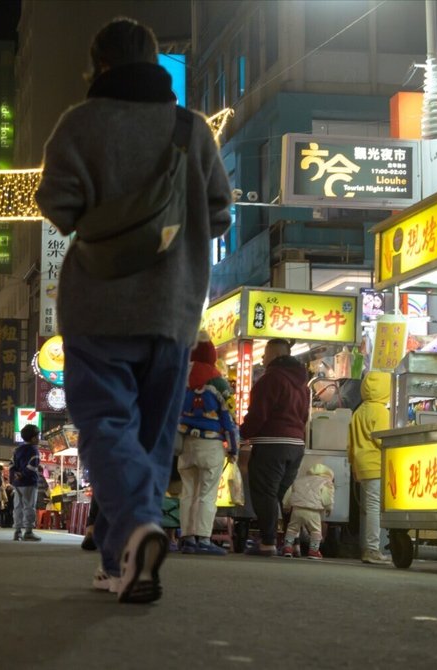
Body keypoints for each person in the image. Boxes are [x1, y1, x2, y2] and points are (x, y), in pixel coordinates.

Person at [34, 18, 232, 603]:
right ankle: (124, 560)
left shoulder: (79, 124)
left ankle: (139, 528)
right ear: (153, 61)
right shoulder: (191, 131)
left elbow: (59, 206)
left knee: (104, 425)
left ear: (99, 67)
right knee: (149, 437)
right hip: (173, 313)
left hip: (97, 306)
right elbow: (219, 213)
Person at [242, 338, 311, 557]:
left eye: (264, 353)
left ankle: (268, 542)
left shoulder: (270, 379)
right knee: (281, 495)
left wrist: (241, 434)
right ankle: (293, 542)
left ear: (273, 353)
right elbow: (304, 417)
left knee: (265, 493)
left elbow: (258, 414)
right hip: (296, 445)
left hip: (271, 443)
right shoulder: (302, 383)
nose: (262, 358)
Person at [176, 336, 240, 556]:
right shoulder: (219, 383)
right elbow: (228, 418)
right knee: (206, 493)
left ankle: (186, 538)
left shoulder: (180, 381)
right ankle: (203, 538)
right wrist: (234, 448)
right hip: (211, 444)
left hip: (185, 444)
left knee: (187, 492)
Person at [349, 371, 391, 565]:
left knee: (367, 508)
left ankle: (367, 547)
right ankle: (372, 549)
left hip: (362, 465)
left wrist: (354, 467)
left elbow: (350, 443)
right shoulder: (381, 411)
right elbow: (382, 438)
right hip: (376, 464)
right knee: (375, 507)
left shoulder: (358, 411)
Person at [281, 464, 335, 560]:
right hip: (313, 511)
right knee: (315, 531)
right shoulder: (326, 482)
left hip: (297, 509)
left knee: (292, 529)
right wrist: (329, 507)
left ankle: (288, 548)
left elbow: (289, 493)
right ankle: (314, 551)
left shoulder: (299, 480)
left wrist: (286, 505)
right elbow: (327, 497)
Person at [11, 425, 43, 543]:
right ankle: (28, 531)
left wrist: (16, 474)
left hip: (17, 483)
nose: (39, 438)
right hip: (29, 481)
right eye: (38, 436)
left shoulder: (18, 449)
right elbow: (32, 465)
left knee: (18, 506)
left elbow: (12, 464)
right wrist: (23, 474)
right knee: (29, 506)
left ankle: (17, 531)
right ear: (34, 438)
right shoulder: (34, 450)